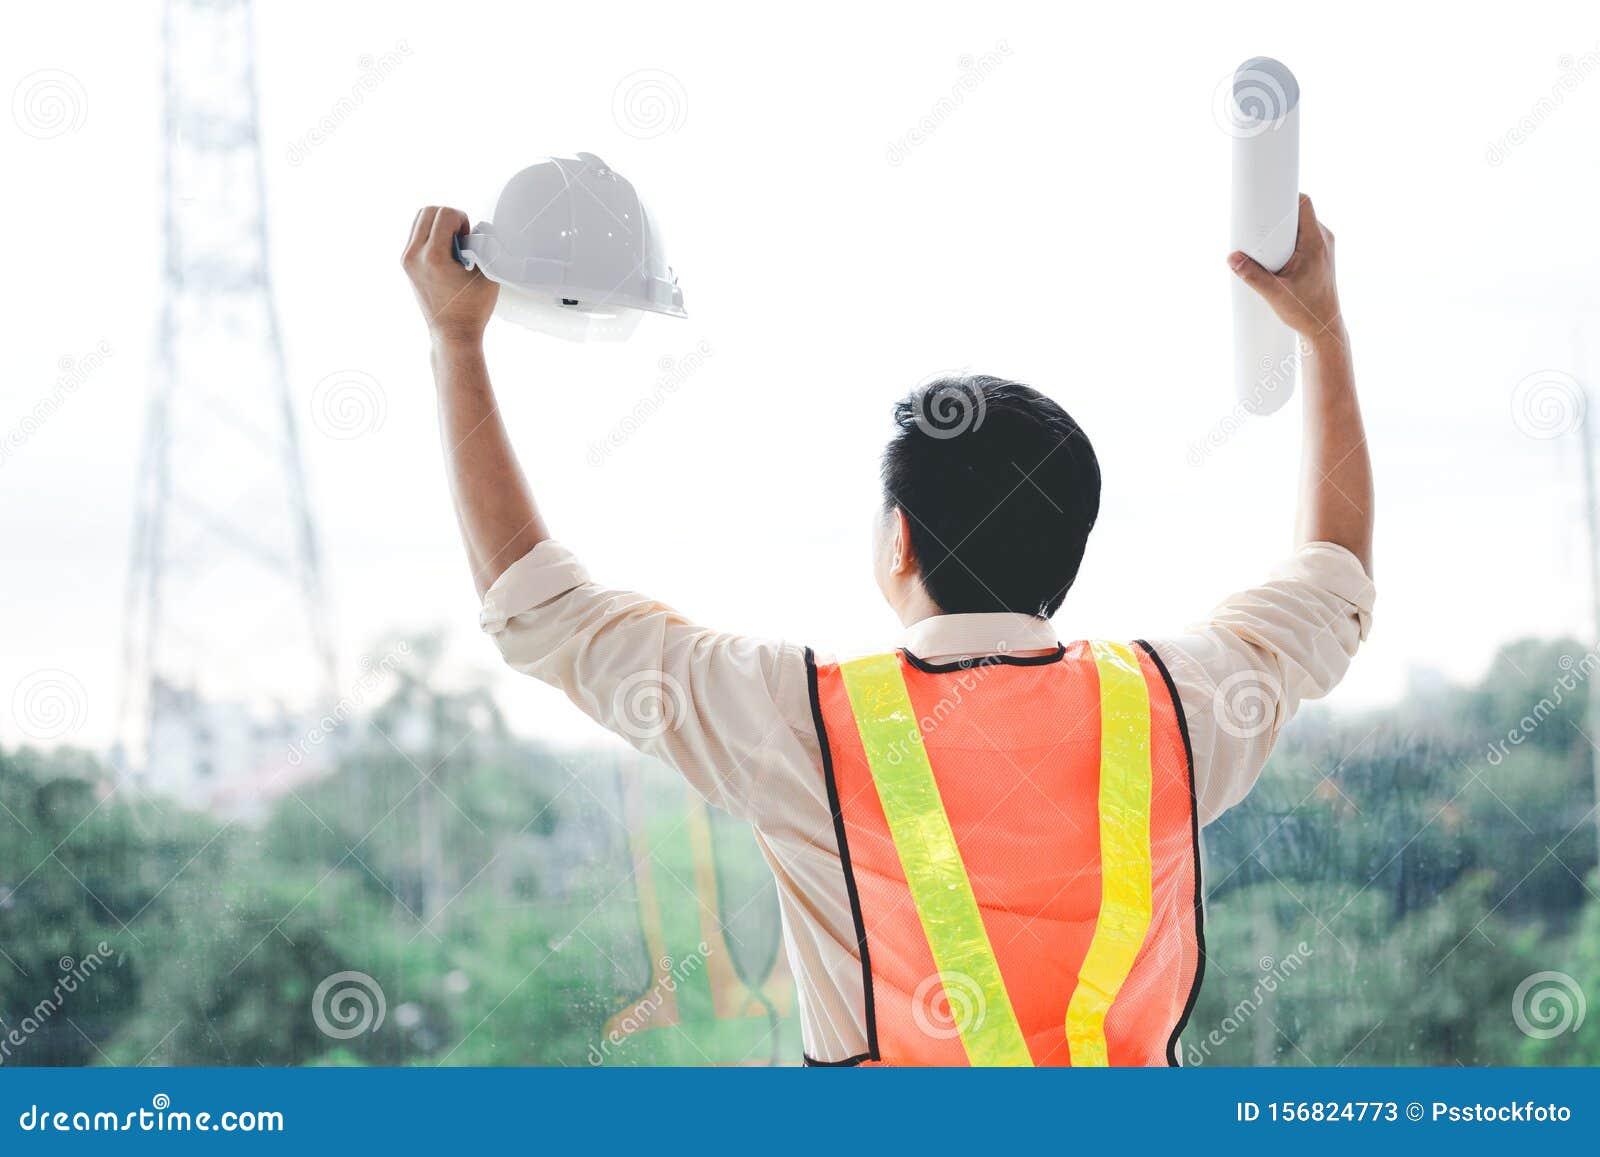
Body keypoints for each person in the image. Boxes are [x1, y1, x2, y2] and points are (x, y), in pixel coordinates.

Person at [400, 194, 1374, 1066]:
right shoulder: (1179, 702)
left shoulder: (797, 723)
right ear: (1069, 550)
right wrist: (1322, 330)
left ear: (899, 540)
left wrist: (455, 342)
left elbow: (537, 604)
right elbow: (1333, 576)